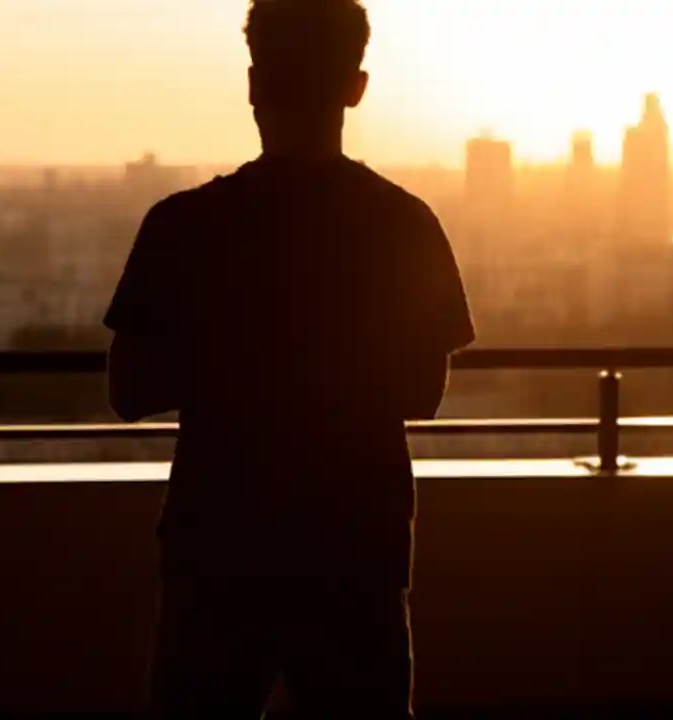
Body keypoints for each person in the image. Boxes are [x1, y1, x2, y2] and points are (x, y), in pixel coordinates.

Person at [104, 1, 474, 716]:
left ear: (253, 83)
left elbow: (128, 390)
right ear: (355, 87)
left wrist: (234, 366)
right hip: (354, 545)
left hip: (217, 545)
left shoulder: (183, 226)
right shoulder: (403, 224)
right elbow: (423, 389)